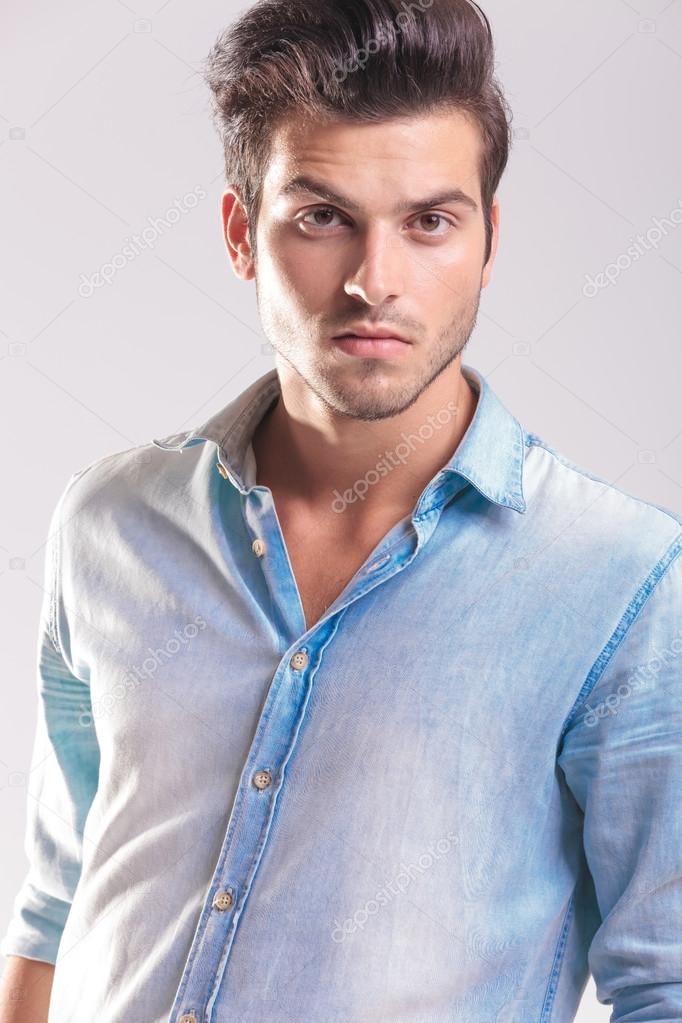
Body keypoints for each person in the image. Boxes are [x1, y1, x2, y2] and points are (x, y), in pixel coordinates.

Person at [1, 1, 681, 1020]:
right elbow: (56, 915)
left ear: (489, 241)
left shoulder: (623, 579)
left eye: (429, 221)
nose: (374, 281)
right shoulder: (110, 521)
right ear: (241, 233)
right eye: (322, 217)